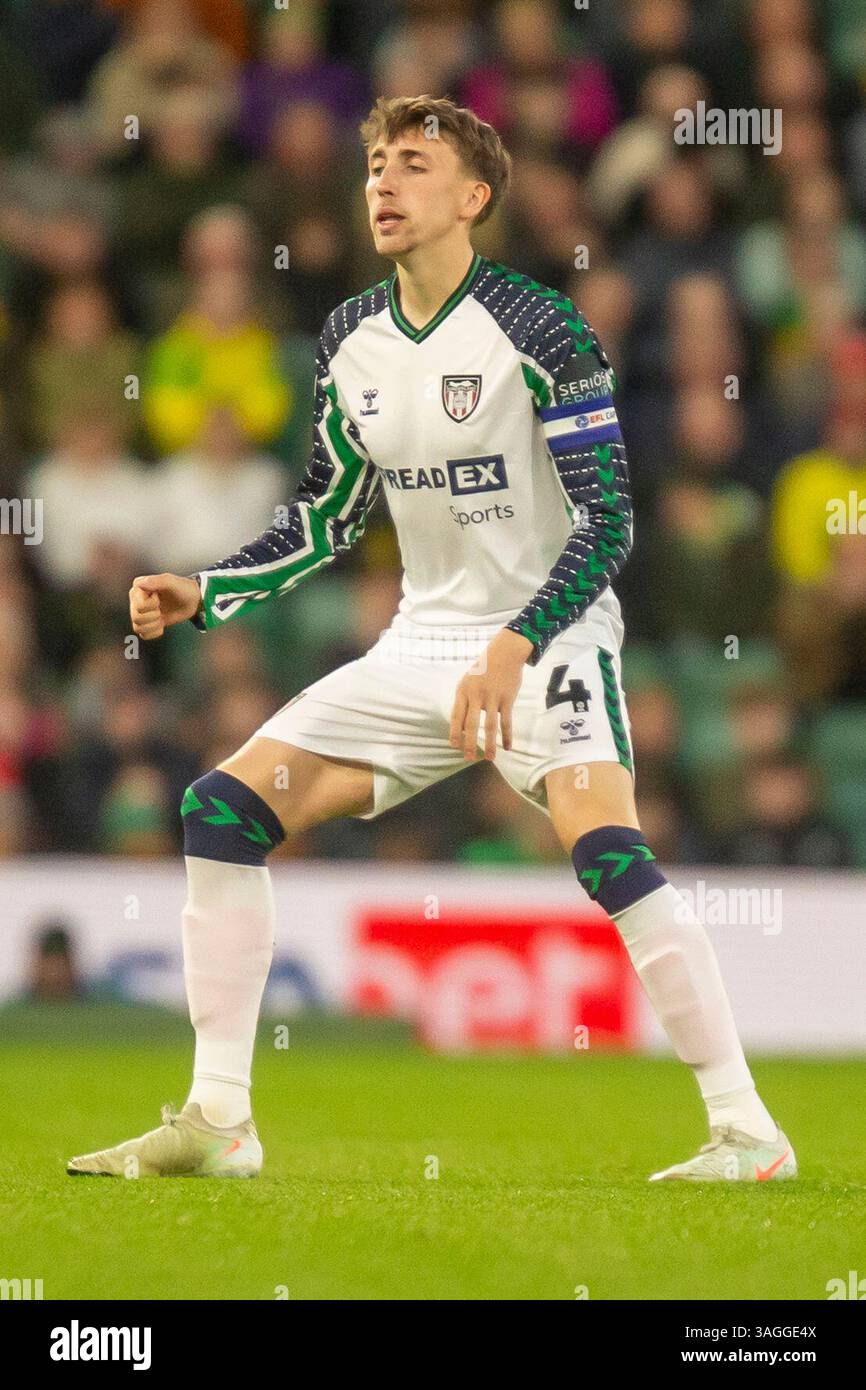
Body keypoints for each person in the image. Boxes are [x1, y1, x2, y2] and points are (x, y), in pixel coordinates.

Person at [67, 96, 795, 1183]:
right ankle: (219, 1118)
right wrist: (206, 591)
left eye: (411, 164)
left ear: (472, 197)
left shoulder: (540, 328)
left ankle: (746, 1129)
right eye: (372, 164)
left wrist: (517, 640)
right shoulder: (349, 337)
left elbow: (609, 522)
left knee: (606, 854)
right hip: (419, 645)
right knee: (220, 808)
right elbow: (323, 516)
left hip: (548, 636)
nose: (381, 183)